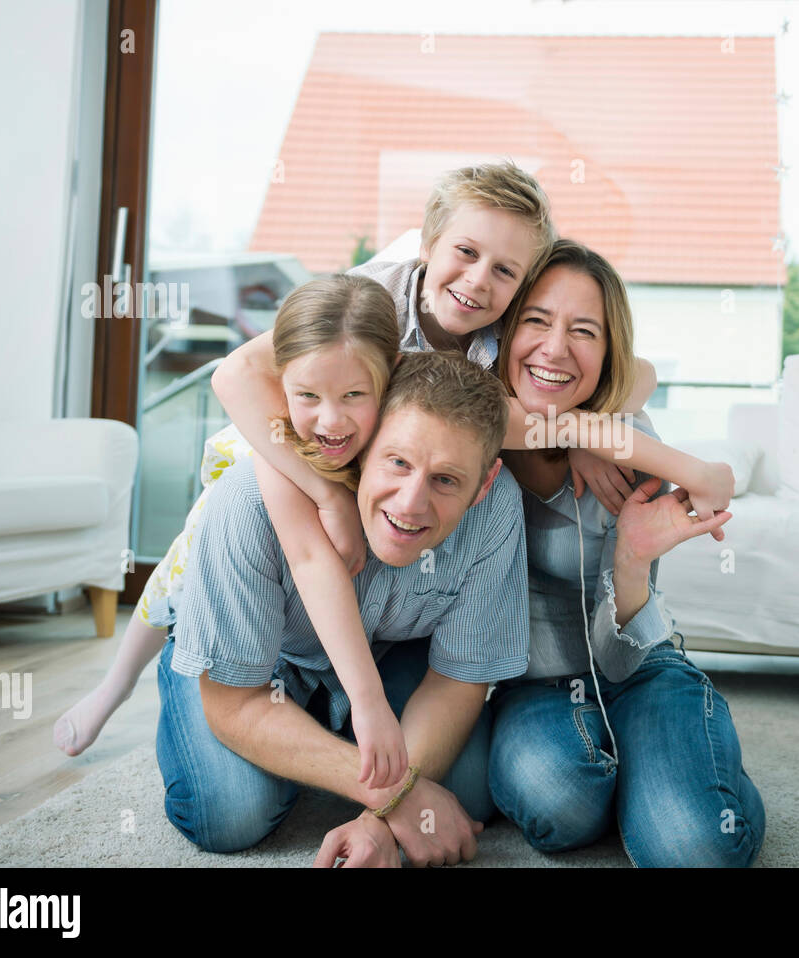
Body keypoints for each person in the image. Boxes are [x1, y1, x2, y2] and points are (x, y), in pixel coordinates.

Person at [158, 350, 529, 865]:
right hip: (252, 663)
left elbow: (456, 681)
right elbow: (235, 706)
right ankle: (326, 755)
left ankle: (327, 751)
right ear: (364, 444)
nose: (410, 503)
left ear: (483, 483)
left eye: (446, 480)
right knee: (229, 812)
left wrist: (375, 825)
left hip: (380, 655)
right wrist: (393, 794)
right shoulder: (249, 502)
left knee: (467, 788)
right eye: (397, 462)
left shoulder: (497, 508)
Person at [57, 275, 415, 789]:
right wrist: (368, 699)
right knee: (178, 573)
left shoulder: (395, 425)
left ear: (391, 374)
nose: (330, 419)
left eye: (354, 394)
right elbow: (311, 561)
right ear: (280, 379)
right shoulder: (281, 438)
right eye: (307, 394)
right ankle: (114, 686)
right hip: (236, 508)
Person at [488, 239, 766, 867]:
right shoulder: (471, 439)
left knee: (696, 847)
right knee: (561, 801)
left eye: (583, 331)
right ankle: (639, 779)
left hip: (638, 668)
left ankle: (689, 762)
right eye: (535, 320)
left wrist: (633, 561)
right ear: (504, 333)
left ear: (610, 351)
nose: (555, 349)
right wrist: (579, 427)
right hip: (533, 685)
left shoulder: (632, 445)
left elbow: (617, 657)